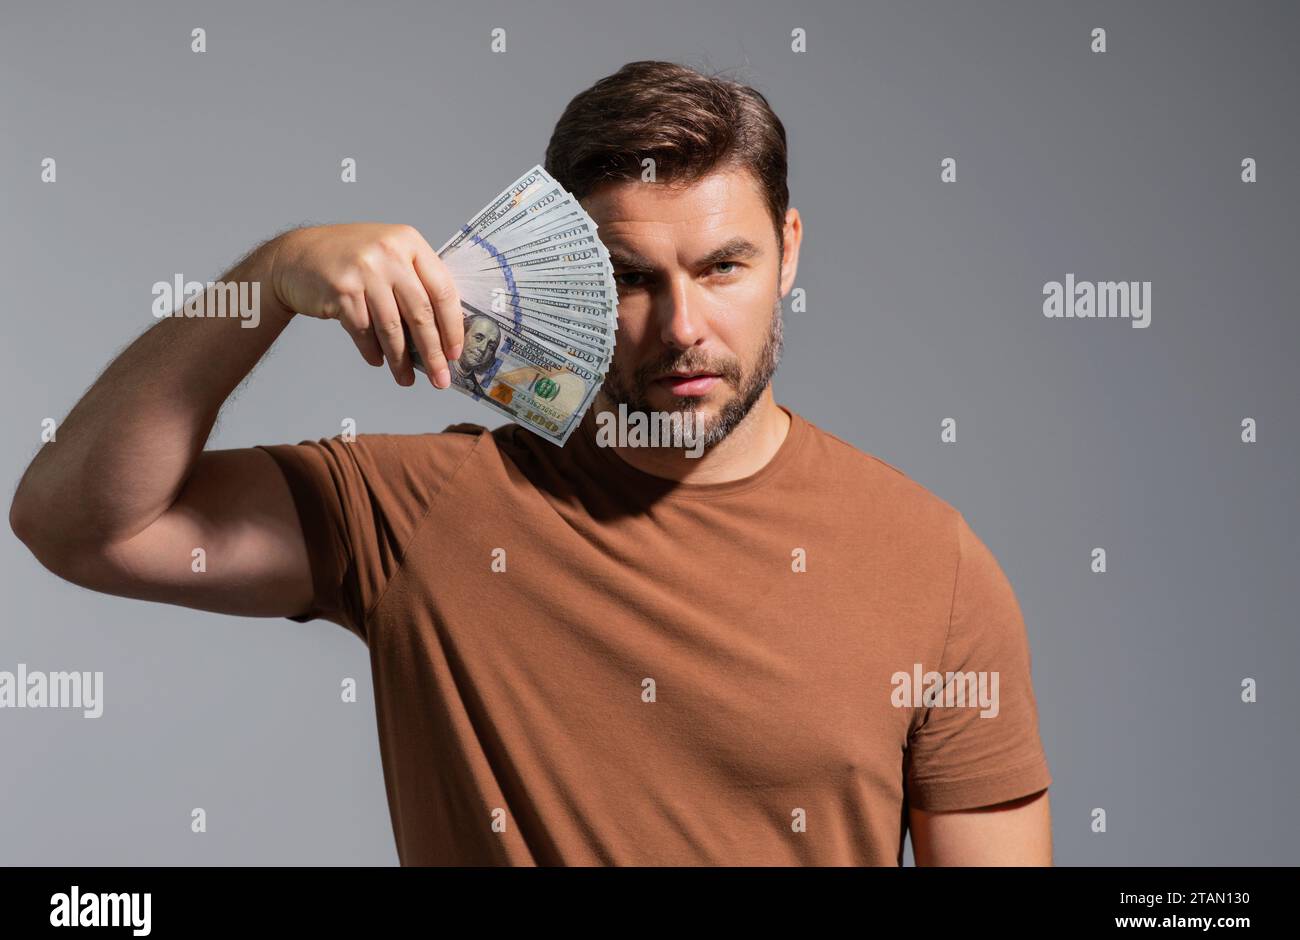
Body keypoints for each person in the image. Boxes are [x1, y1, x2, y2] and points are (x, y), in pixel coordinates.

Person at [9, 60, 1052, 866]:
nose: (683, 326)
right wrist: (272, 278)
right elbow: (80, 523)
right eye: (630, 278)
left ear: (789, 247)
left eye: (723, 265)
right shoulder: (424, 510)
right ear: (565, 276)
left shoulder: (933, 565)